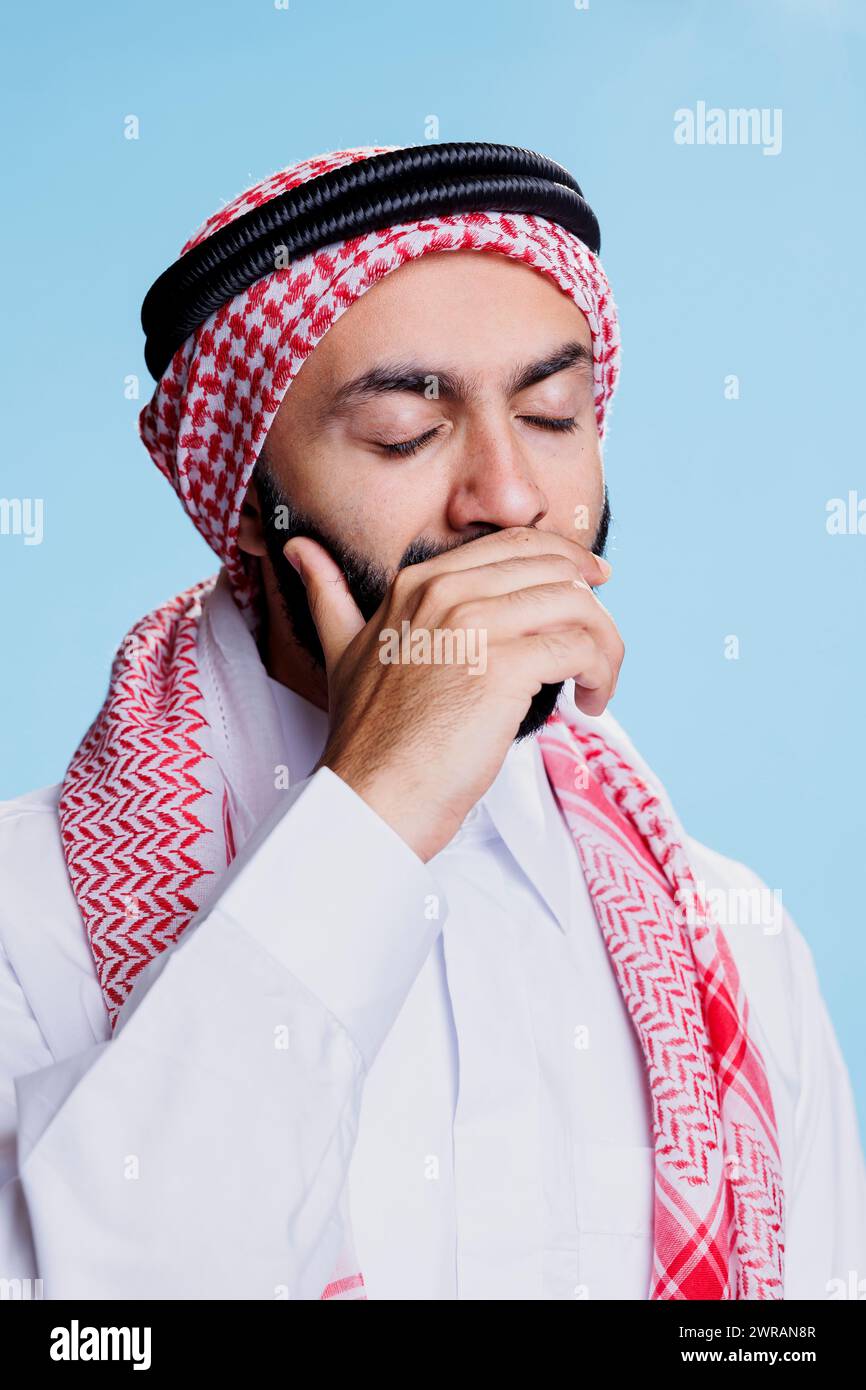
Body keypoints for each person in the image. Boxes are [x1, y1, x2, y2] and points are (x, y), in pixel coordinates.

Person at [1, 142, 864, 1302]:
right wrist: (375, 811)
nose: (509, 499)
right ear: (251, 506)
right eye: (407, 434)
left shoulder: (732, 945)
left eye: (552, 415)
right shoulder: (27, 919)